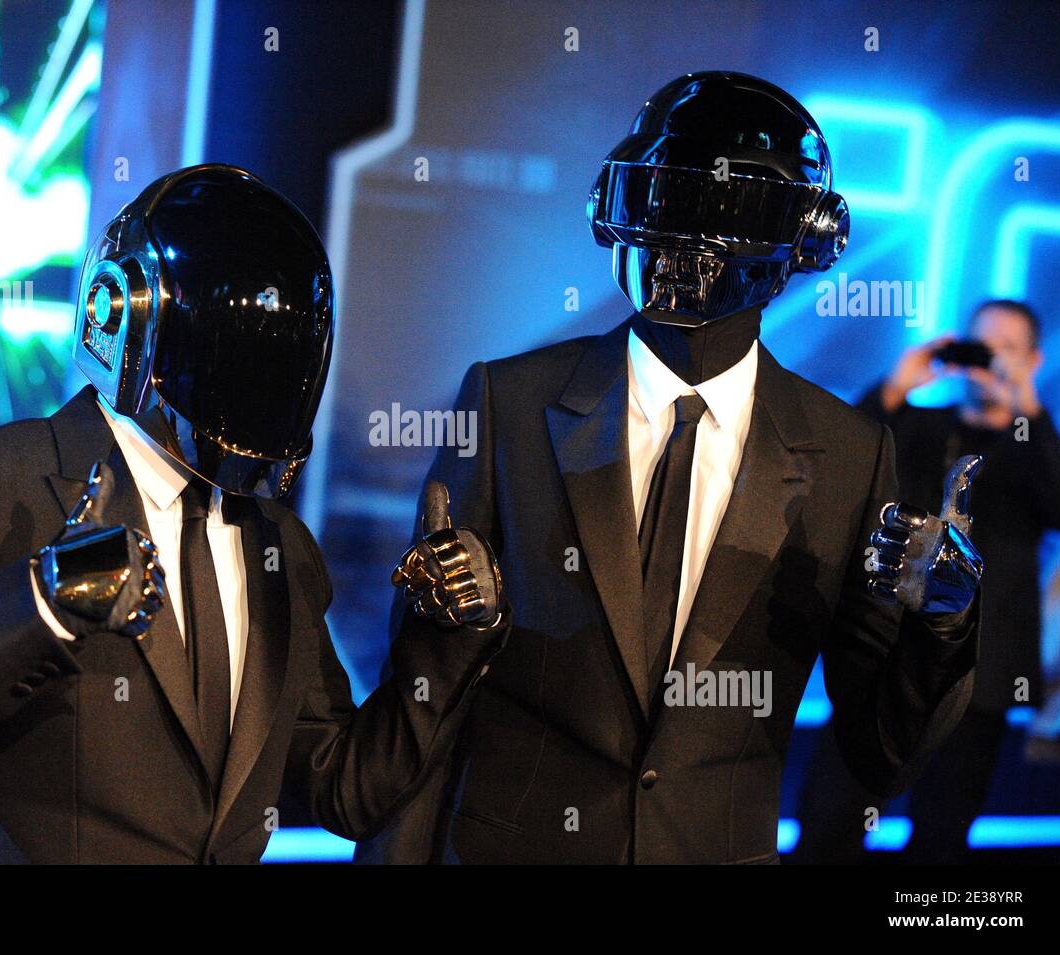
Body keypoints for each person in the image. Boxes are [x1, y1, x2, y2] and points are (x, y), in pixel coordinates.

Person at [356, 72, 983, 864]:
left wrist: (942, 623)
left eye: (727, 210)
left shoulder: (852, 455)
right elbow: (427, 688)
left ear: (808, 238)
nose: (688, 241)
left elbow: (879, 752)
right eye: (666, 199)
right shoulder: (508, 402)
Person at [0, 165, 508, 863]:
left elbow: (342, 786)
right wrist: (39, 602)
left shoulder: (281, 547)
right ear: (127, 314)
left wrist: (447, 634)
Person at [794, 299, 1060, 863]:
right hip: (881, 661)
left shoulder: (1032, 442)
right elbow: (846, 462)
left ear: (1034, 360)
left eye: (1006, 352)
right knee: (828, 825)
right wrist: (898, 385)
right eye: (979, 347)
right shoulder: (918, 427)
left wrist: (1028, 405)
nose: (988, 363)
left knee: (942, 840)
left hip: (982, 673)